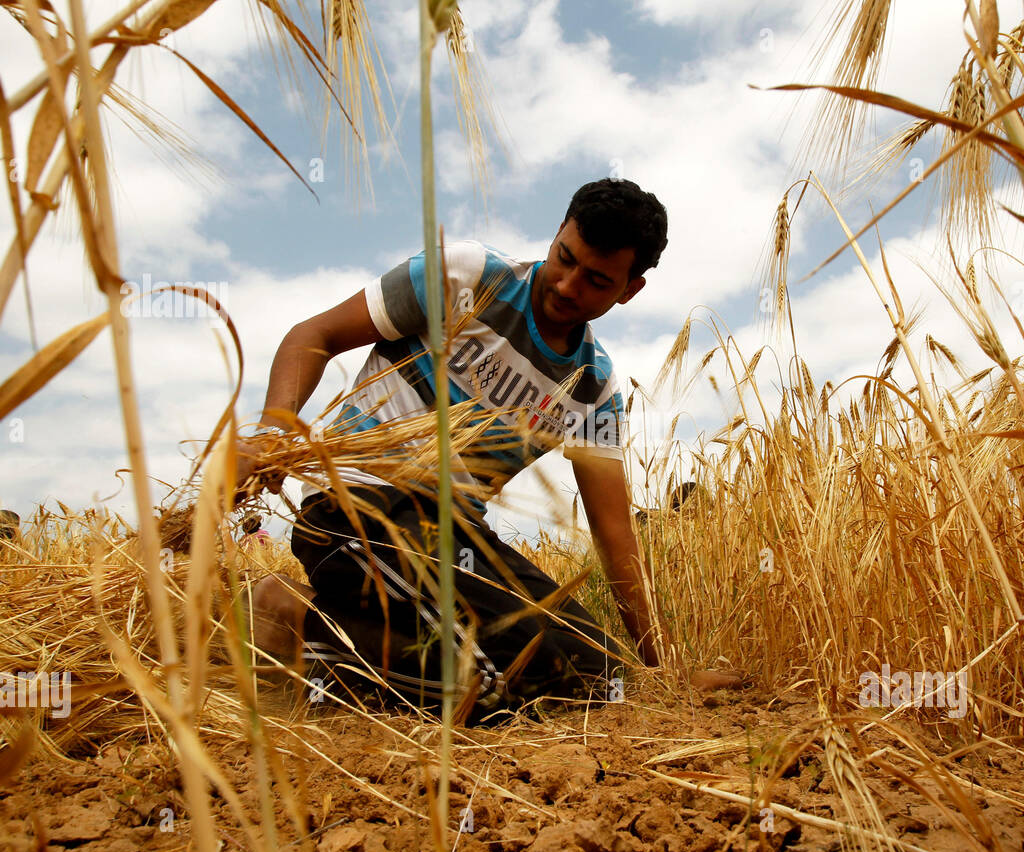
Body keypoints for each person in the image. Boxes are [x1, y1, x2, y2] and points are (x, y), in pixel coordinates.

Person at [234, 179, 741, 722]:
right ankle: (292, 620)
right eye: (563, 258)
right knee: (486, 686)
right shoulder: (470, 277)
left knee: (596, 680)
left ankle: (319, 634)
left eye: (596, 280)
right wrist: (273, 432)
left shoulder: (592, 387)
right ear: (556, 234)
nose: (568, 286)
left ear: (629, 290)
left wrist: (657, 673)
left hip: (458, 539)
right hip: (356, 508)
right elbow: (315, 335)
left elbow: (615, 535)